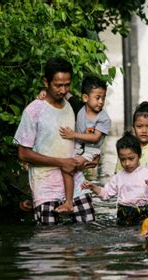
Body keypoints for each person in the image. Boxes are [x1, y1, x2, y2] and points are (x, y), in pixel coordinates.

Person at [14, 57, 96, 225]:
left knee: (89, 233)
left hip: (75, 181)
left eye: (67, 85)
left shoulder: (74, 106)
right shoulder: (33, 111)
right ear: (46, 82)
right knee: (49, 241)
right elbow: (23, 154)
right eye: (58, 85)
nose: (63, 90)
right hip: (45, 185)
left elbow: (90, 138)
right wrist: (61, 162)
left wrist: (89, 159)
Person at [55, 75, 111, 212]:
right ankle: (62, 198)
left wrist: (72, 134)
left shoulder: (104, 118)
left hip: (91, 152)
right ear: (86, 98)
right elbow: (65, 94)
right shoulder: (79, 107)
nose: (101, 102)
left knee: (68, 167)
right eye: (97, 98)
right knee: (63, 165)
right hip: (77, 148)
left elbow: (95, 138)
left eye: (103, 98)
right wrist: (43, 92)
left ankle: (68, 202)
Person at [82, 131, 148, 226]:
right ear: (119, 158)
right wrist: (93, 187)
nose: (127, 163)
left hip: (143, 212)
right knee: (123, 234)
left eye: (131, 159)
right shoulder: (118, 177)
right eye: (123, 159)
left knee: (141, 233)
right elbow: (106, 194)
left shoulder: (147, 173)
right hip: (123, 212)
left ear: (139, 156)